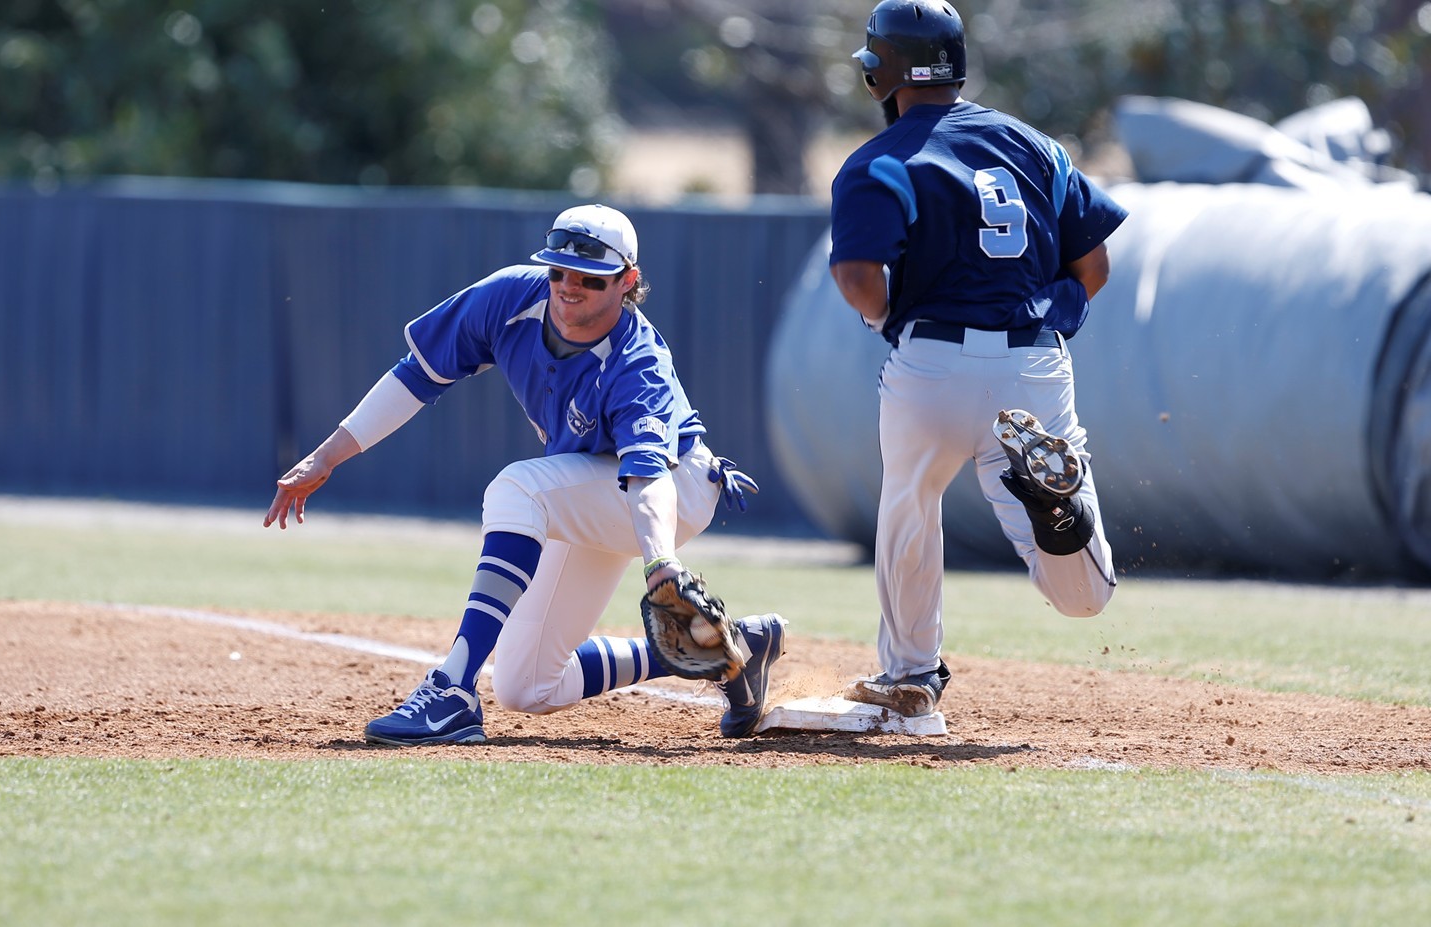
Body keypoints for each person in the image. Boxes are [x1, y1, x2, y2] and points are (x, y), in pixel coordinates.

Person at [264, 204, 786, 745]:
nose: (568, 287)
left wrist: (660, 563)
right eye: (558, 271)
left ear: (627, 282)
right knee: (527, 685)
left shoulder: (637, 362)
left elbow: (647, 476)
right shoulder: (512, 297)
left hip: (671, 487)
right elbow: (418, 374)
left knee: (517, 489)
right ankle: (732, 648)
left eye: (589, 278)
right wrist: (325, 456)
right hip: (589, 483)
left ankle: (453, 689)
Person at [828, 0, 1127, 717]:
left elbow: (859, 276)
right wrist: (1051, 318)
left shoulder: (878, 160)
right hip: (1033, 363)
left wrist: (884, 316)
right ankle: (1055, 507)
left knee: (909, 504)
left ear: (882, 77)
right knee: (1083, 597)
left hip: (930, 361)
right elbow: (1096, 266)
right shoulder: (1034, 145)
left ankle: (912, 673)